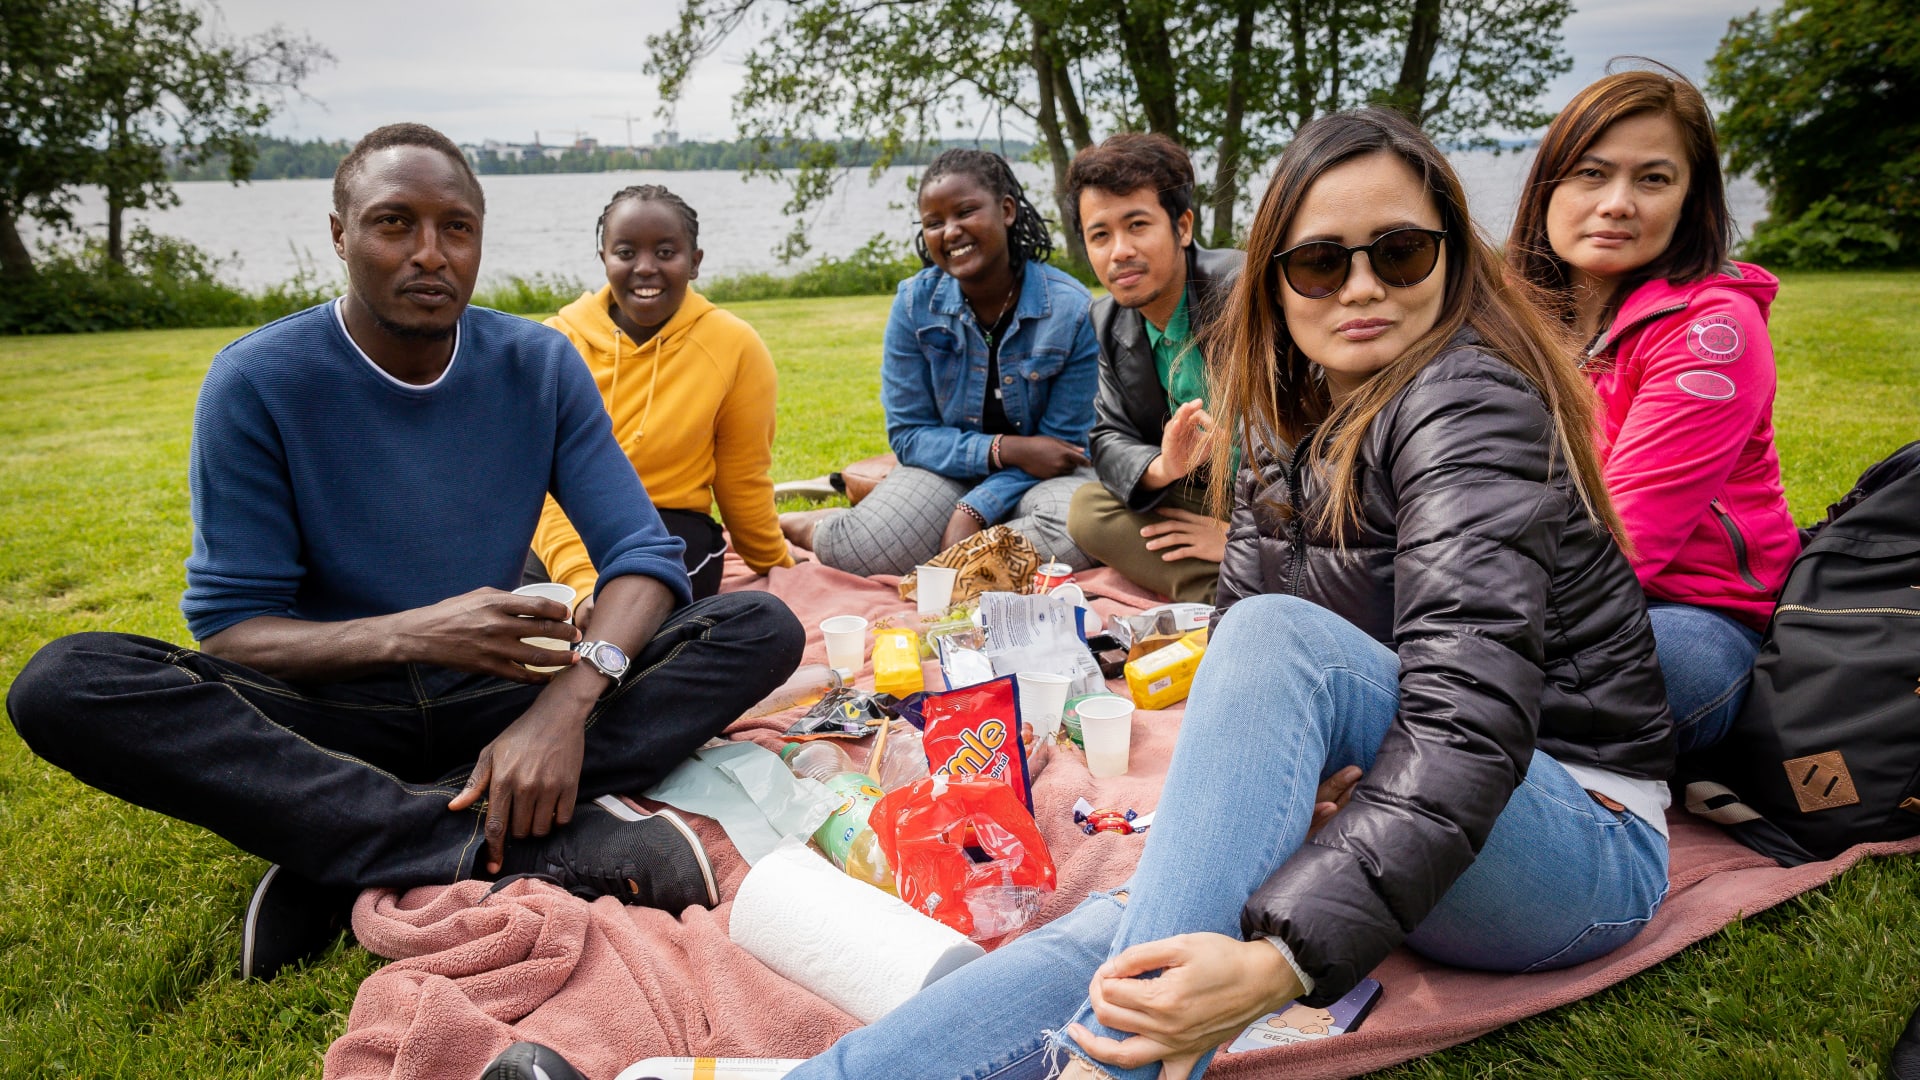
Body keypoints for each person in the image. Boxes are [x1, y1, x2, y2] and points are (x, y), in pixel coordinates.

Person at [786, 108, 1675, 1080]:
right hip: (1403, 811)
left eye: (1402, 252)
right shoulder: (1285, 414)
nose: (1362, 286)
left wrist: (1278, 960)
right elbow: (1252, 640)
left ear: (1453, 261)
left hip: (1581, 839)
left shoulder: (1471, 404)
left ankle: (1119, 1068)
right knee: (1145, 944)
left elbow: (1462, 725)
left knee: (1267, 649)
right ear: (1278, 282)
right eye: (1321, 263)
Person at [3, 124, 805, 982]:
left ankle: (355, 842)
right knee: (65, 683)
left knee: (758, 625)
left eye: (456, 228)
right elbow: (233, 632)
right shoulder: (258, 381)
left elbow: (643, 555)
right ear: (341, 234)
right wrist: (416, 632)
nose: (431, 253)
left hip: (501, 693)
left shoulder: (538, 364)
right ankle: (480, 836)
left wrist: (563, 708)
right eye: (395, 224)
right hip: (330, 711)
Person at [1507, 68, 1800, 754]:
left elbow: (1622, 542)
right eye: (1591, 173)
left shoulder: (1713, 333)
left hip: (1691, 612)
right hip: (1522, 587)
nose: (1616, 203)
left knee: (1652, 672)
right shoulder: (1504, 314)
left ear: (1691, 200)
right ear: (1549, 185)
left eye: (1653, 180)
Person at [779, 149, 1100, 576]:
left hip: (1044, 479)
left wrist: (974, 509)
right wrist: (1002, 450)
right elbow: (910, 435)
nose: (951, 232)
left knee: (1079, 531)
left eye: (966, 212)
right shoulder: (914, 305)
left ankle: (960, 541)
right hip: (949, 469)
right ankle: (812, 525)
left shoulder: (1072, 310)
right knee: (858, 549)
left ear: (1006, 211)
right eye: (934, 222)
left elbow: (1063, 451)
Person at [529, 184, 794, 605]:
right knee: (512, 596)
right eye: (626, 252)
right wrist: (579, 584)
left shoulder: (735, 346)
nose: (646, 268)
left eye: (666, 253)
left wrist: (777, 563)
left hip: (670, 529)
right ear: (604, 259)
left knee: (629, 608)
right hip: (568, 527)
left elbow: (741, 482)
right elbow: (535, 488)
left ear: (695, 263)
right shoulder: (554, 344)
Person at [1064, 133, 1244, 603]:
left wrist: (1241, 535)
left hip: (1282, 501)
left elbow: (1308, 437)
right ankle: (1225, 590)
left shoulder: (1242, 292)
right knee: (1087, 510)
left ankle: (1244, 577)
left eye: (1137, 225)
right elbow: (1107, 437)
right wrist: (1163, 466)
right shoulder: (1107, 320)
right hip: (1199, 493)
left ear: (1182, 227)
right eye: (1099, 236)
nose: (1119, 251)